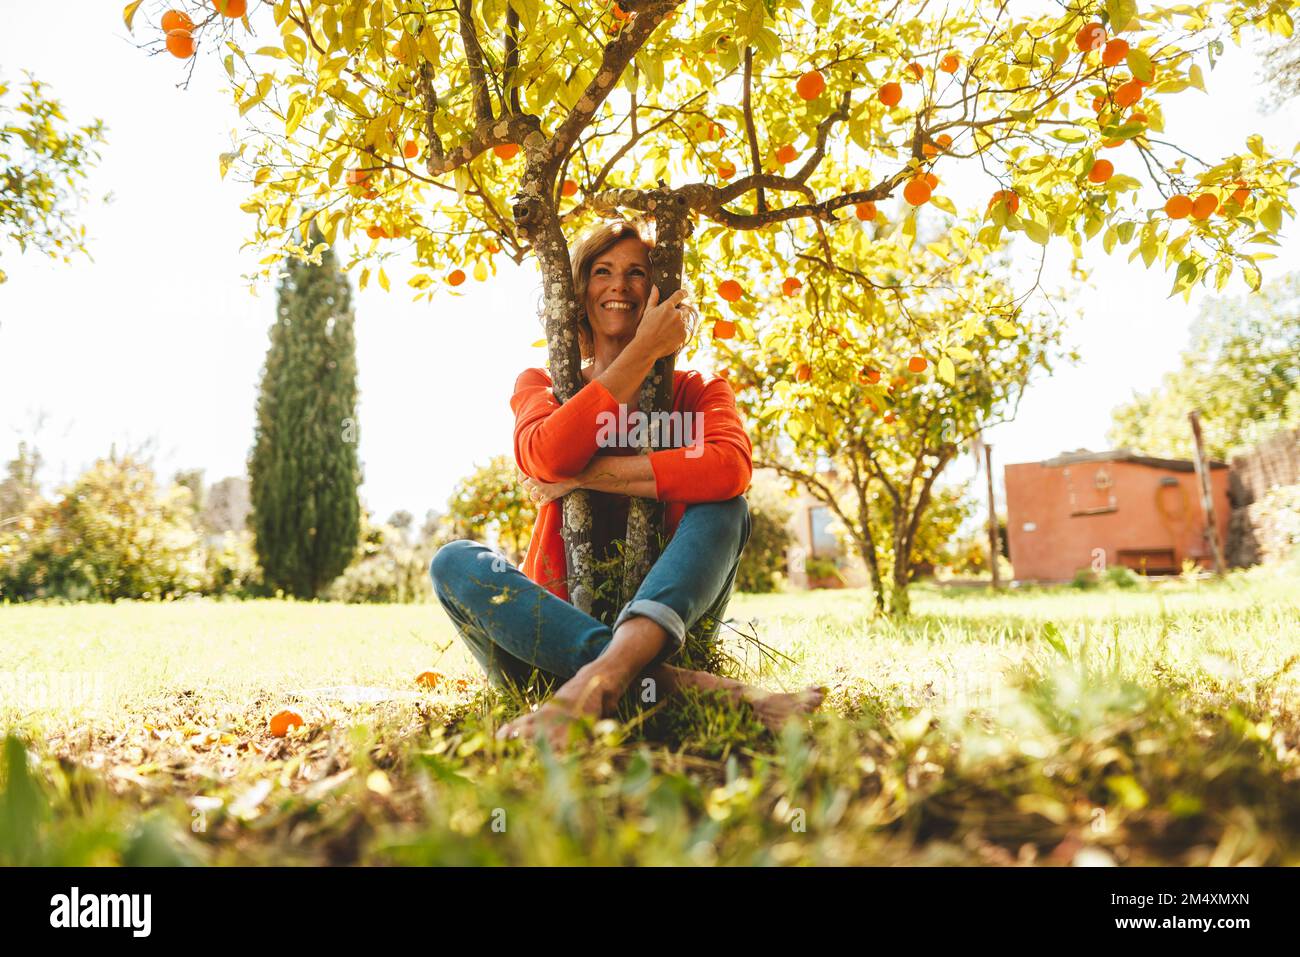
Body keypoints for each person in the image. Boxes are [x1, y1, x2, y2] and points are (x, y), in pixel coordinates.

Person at [429, 218, 824, 748]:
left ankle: (605, 683)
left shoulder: (698, 393)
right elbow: (548, 454)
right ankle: (687, 689)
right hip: (543, 649)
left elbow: (729, 468)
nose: (619, 285)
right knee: (454, 562)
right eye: (602, 271)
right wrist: (641, 354)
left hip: (670, 633)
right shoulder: (543, 385)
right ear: (579, 292)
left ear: (658, 291)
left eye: (637, 273)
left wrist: (586, 478)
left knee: (726, 506)